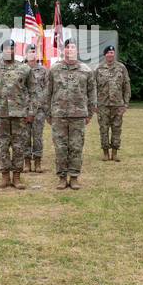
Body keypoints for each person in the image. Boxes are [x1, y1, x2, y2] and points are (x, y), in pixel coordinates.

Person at [43, 41, 96, 189]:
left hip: (78, 115)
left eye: (72, 47)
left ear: (77, 50)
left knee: (76, 146)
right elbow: (48, 92)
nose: (70, 50)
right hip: (58, 115)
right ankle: (61, 177)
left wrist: (90, 113)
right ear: (64, 50)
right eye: (67, 47)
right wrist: (48, 113)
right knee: (60, 147)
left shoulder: (86, 70)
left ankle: (74, 177)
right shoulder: (54, 69)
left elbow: (92, 93)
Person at [0, 42, 34, 189]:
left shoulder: (24, 69)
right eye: (6, 49)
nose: (9, 51)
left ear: (14, 50)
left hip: (19, 114)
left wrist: (31, 112)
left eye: (11, 48)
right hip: (0, 114)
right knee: (2, 146)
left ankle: (17, 177)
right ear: (2, 51)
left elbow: (33, 92)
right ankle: (5, 176)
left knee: (19, 146)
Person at [94, 45, 131, 162]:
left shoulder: (121, 68)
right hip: (102, 105)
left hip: (117, 105)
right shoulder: (99, 69)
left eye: (112, 52)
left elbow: (126, 86)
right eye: (108, 52)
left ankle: (114, 152)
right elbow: (93, 87)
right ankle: (105, 153)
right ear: (105, 55)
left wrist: (125, 104)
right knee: (103, 129)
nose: (110, 54)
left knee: (116, 129)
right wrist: (94, 103)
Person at [26, 45, 50, 173]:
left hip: (39, 110)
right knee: (25, 137)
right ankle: (27, 162)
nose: (32, 54)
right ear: (26, 54)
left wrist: (42, 105)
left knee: (37, 137)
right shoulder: (21, 70)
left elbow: (47, 89)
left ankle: (38, 162)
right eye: (30, 51)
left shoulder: (44, 71)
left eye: (34, 52)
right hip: (24, 110)